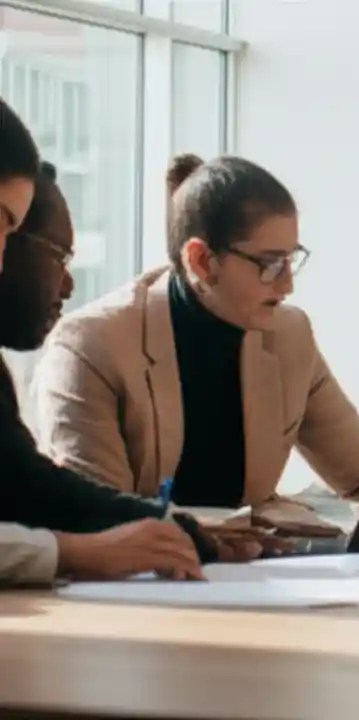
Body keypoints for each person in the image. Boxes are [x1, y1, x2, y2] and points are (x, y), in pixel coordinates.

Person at [31, 154, 359, 530]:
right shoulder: (89, 346)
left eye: (291, 261)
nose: (287, 284)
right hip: (139, 579)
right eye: (269, 265)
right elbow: (102, 519)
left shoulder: (289, 334)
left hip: (252, 578)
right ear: (201, 261)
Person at [0, 150, 241, 584]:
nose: (69, 284)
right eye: (59, 257)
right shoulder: (93, 340)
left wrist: (168, 527)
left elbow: (20, 484)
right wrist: (73, 553)